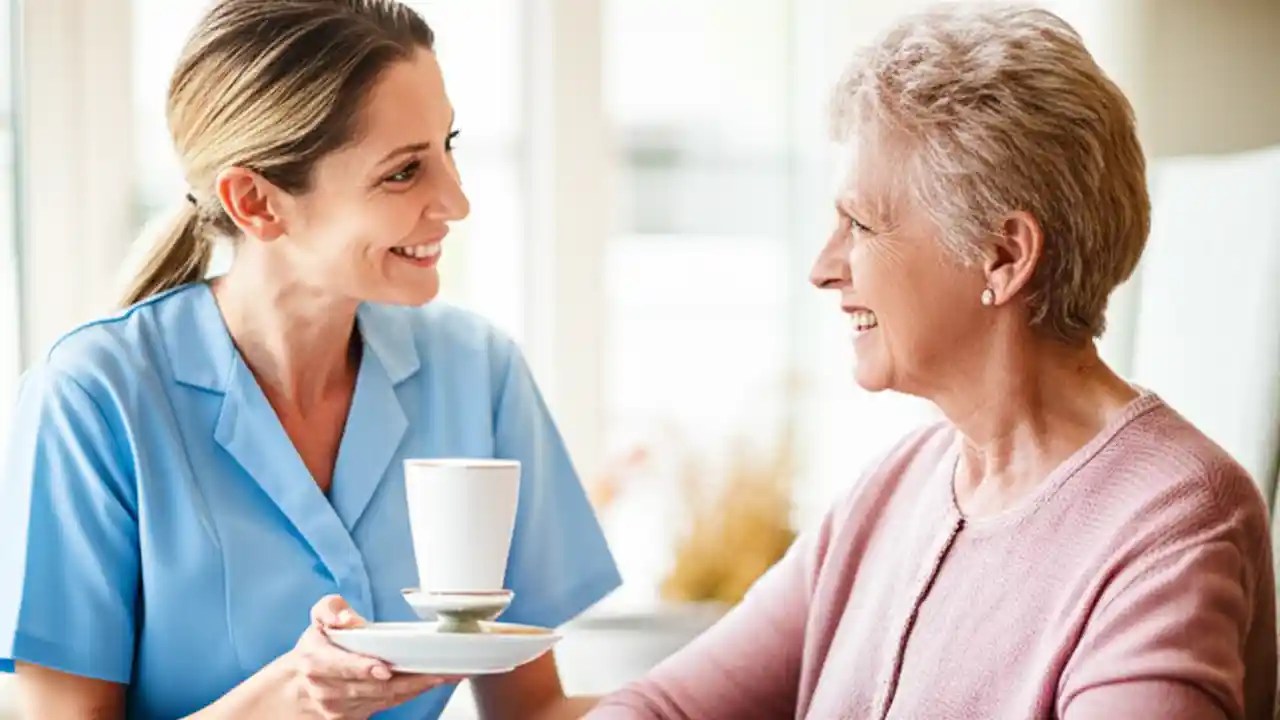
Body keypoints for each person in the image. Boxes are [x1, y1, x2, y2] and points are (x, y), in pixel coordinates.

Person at [590, 4, 1276, 719]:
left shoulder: (1173, 522)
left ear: (1005, 255)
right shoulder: (891, 492)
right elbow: (661, 706)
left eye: (859, 224)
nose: (824, 268)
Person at [0, 1, 620, 718]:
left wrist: (756, 666)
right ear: (257, 202)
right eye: (403, 172)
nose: (455, 199)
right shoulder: (94, 398)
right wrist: (291, 697)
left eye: (447, 146)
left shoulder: (478, 373)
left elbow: (533, 711)